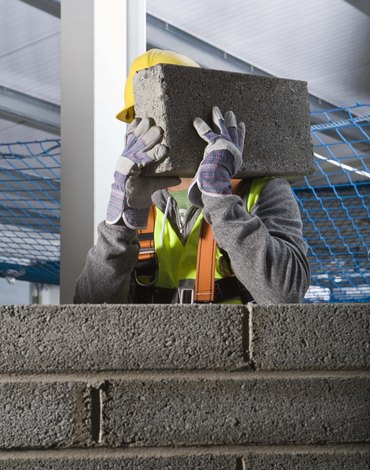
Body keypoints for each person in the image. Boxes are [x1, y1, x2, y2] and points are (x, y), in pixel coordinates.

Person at [74, 49, 310, 305]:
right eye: (143, 119)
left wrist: (219, 199)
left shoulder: (260, 191)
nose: (156, 130)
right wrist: (118, 227)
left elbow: (285, 295)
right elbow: (89, 309)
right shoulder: (140, 202)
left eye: (167, 116)